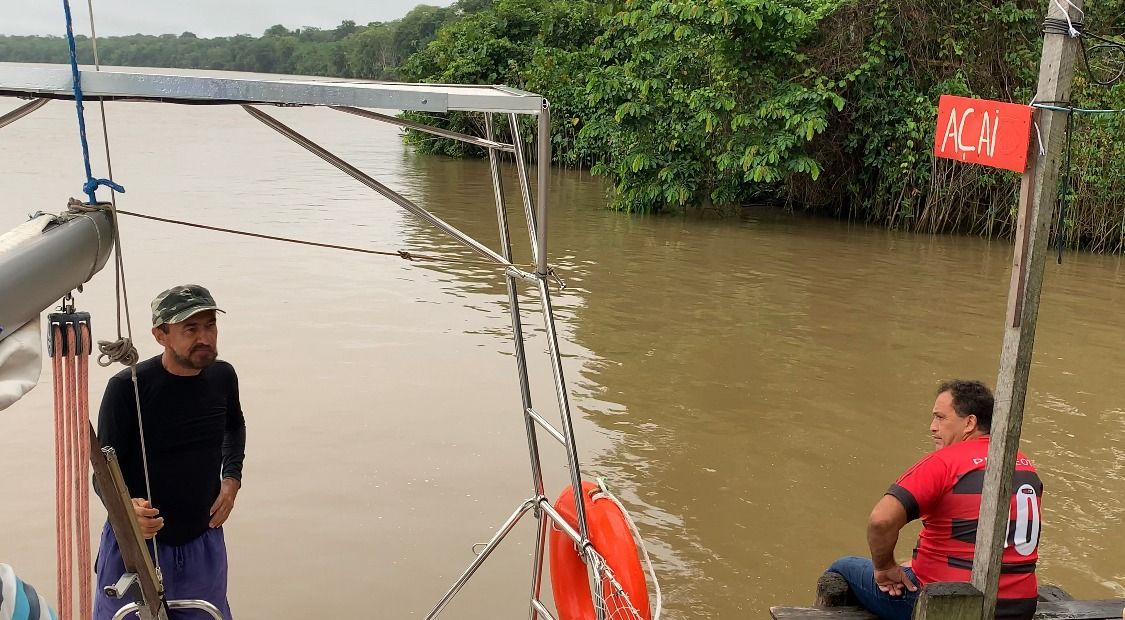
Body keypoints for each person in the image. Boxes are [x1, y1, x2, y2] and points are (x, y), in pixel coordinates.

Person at [826, 380, 1043, 620]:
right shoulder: (1024, 464)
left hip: (950, 606)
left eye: (940, 418)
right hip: (1019, 607)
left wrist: (886, 568)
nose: (932, 427)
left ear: (969, 423)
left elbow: (881, 521)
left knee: (843, 567)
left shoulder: (945, 463)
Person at [93, 284, 246, 620]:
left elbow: (234, 428)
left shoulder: (223, 377)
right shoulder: (127, 389)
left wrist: (232, 479)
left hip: (201, 544)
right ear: (160, 335)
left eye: (210, 325)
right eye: (190, 329)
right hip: (135, 548)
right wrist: (126, 511)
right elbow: (102, 474)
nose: (204, 337)